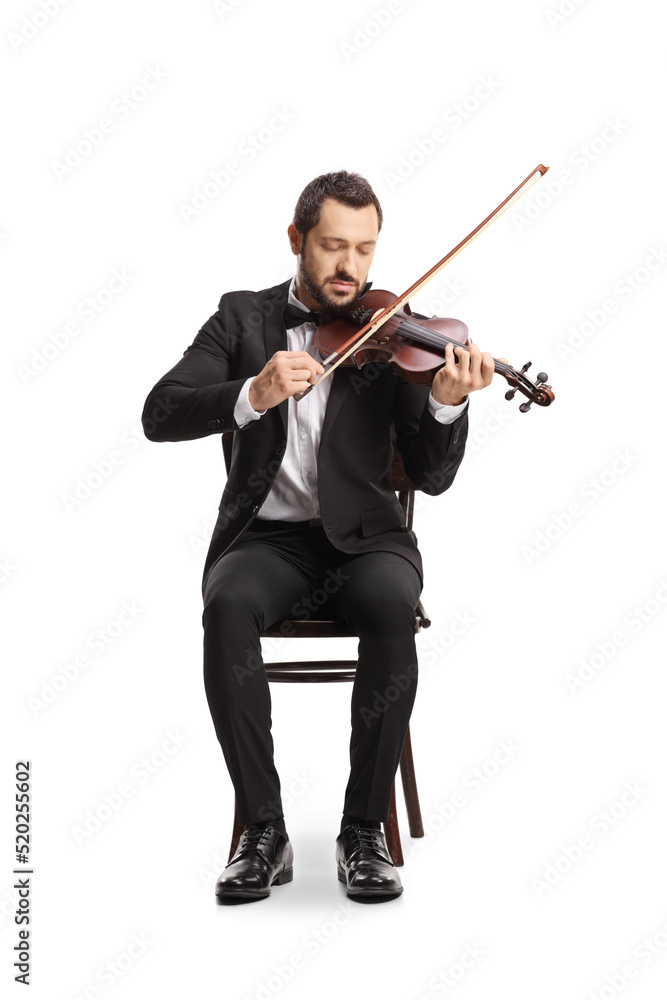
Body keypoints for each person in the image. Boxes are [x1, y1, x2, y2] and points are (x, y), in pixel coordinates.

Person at [141, 170, 495, 904]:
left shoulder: (395, 329)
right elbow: (161, 412)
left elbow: (430, 477)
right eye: (333, 246)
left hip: (368, 541)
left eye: (364, 250)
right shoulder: (240, 319)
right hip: (266, 544)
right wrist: (253, 392)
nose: (349, 268)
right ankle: (261, 831)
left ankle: (362, 832)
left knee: (391, 605)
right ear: (296, 239)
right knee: (227, 607)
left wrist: (444, 406)